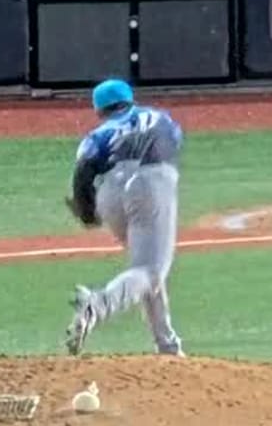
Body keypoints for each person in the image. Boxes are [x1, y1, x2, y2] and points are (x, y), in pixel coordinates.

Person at [63, 79, 186, 357]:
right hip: (152, 183)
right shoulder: (159, 117)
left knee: (145, 269)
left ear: (100, 110)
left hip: (109, 192)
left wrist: (86, 211)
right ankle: (98, 304)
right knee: (151, 271)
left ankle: (167, 345)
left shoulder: (98, 133)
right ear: (130, 100)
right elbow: (173, 143)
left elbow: (83, 171)